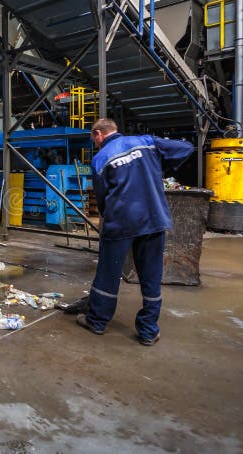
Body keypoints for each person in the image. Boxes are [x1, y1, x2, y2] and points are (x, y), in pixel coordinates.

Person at [76, 118, 194, 345]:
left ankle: (98, 322)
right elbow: (186, 148)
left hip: (120, 223)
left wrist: (107, 217)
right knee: (151, 276)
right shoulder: (147, 142)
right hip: (153, 218)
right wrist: (158, 168)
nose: (96, 144)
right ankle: (148, 331)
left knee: (108, 273)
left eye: (94, 139)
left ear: (99, 134)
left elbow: (101, 198)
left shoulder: (101, 158)